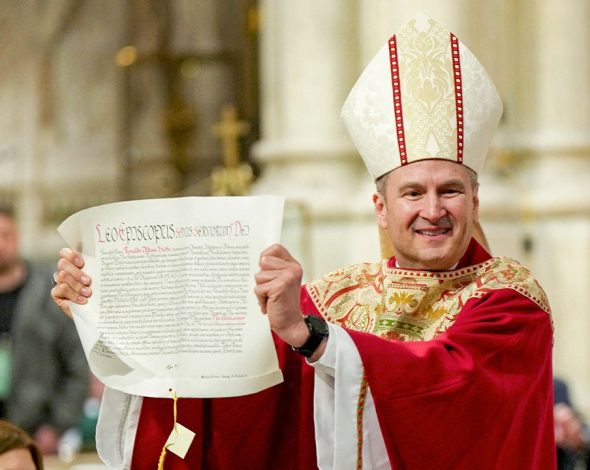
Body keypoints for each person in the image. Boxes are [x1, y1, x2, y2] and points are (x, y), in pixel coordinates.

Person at [51, 14, 556, 469]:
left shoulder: (509, 300)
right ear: (380, 208)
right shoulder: (337, 298)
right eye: (412, 193)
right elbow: (223, 385)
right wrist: (108, 310)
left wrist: (311, 336)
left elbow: (445, 386)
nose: (432, 211)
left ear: (475, 200)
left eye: (450, 191)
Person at [0, 202, 89, 456]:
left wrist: (56, 427)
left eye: (6, 236)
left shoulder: (50, 290)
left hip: (34, 432)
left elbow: (76, 364)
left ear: (17, 237)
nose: (0, 244)